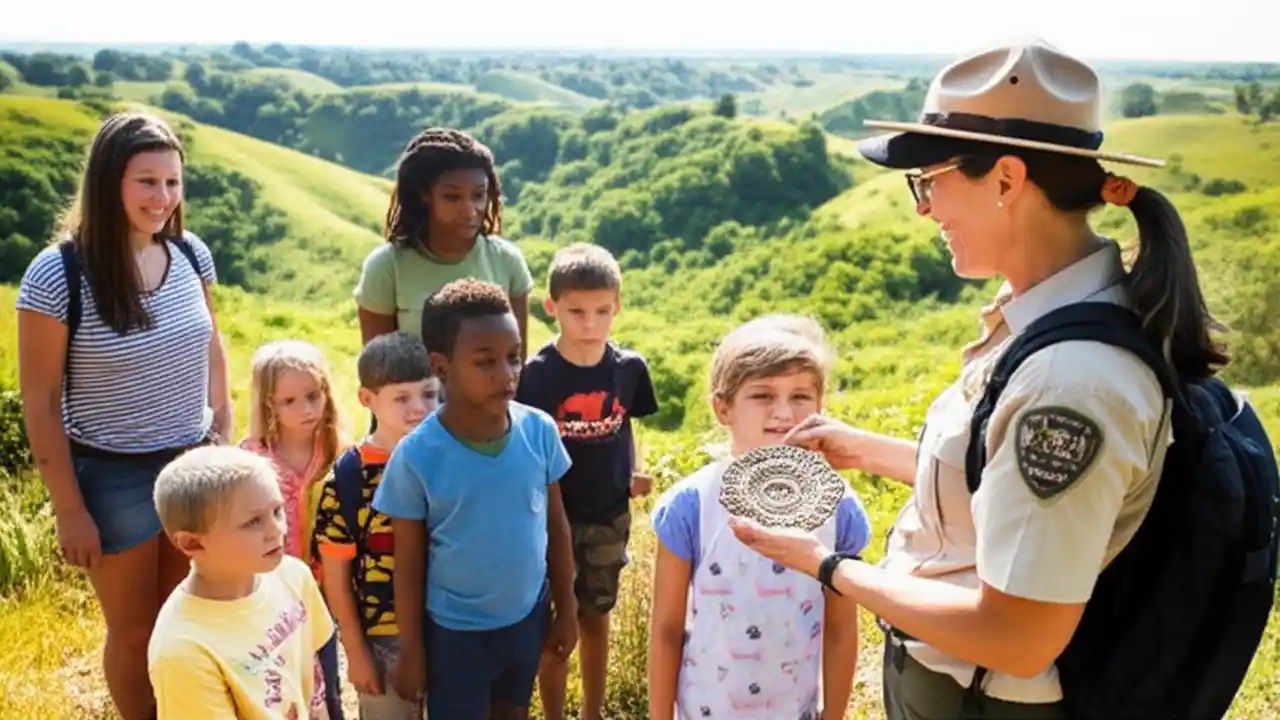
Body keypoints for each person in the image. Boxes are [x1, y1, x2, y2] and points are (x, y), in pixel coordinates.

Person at [729, 39, 1234, 719]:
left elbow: (1018, 636)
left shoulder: (1070, 382)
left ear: (1004, 179)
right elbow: (1006, 492)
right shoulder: (1057, 319)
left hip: (986, 699)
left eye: (929, 179)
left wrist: (827, 566)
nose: (924, 208)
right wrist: (865, 449)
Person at [15, 110, 232, 720]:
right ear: (110, 181)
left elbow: (213, 342)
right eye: (146, 181)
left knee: (183, 619)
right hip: (113, 477)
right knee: (135, 632)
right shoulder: (58, 276)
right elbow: (41, 400)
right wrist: (70, 511)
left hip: (192, 465)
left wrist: (224, 423)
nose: (162, 198)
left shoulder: (190, 254)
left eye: (172, 182)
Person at [372, 278, 578, 720]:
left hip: (526, 620)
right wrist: (412, 650)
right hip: (455, 635)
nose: (506, 375)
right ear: (441, 368)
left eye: (513, 358)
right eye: (485, 362)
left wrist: (567, 608)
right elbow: (406, 563)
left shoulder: (539, 431)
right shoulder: (417, 456)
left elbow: (556, 527)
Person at [648, 314, 870, 720]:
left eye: (800, 396)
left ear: (819, 406)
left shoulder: (837, 509)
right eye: (763, 395)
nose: (783, 413)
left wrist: (834, 714)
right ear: (722, 408)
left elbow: (840, 630)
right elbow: (666, 630)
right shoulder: (692, 505)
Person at [515, 243, 660, 720]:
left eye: (602, 311)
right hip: (549, 516)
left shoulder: (628, 369)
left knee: (597, 614)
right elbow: (526, 443)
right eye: (576, 312)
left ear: (617, 306)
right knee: (555, 620)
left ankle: (592, 712)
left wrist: (631, 472)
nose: (590, 324)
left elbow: (627, 426)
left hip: (608, 512)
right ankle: (554, 712)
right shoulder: (537, 376)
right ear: (551, 307)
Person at [148, 445, 334, 719]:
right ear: (192, 543)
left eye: (277, 511)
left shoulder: (292, 575)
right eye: (253, 522)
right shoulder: (183, 650)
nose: (276, 530)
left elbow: (312, 679)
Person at [312, 331, 440, 719]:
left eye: (429, 394)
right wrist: (355, 652)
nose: (418, 408)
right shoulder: (348, 479)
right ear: (368, 399)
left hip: (451, 630)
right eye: (401, 398)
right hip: (382, 638)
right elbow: (335, 575)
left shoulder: (451, 461)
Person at [354, 127, 534, 359]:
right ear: (424, 194)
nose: (470, 211)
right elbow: (379, 369)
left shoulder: (507, 261)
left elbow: (516, 364)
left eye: (478, 195)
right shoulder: (387, 267)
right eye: (452, 197)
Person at [240, 339, 346, 719]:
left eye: (313, 395)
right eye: (290, 401)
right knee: (278, 685)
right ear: (269, 403)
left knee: (326, 678)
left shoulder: (337, 453)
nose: (306, 409)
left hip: (324, 590)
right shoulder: (251, 460)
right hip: (269, 594)